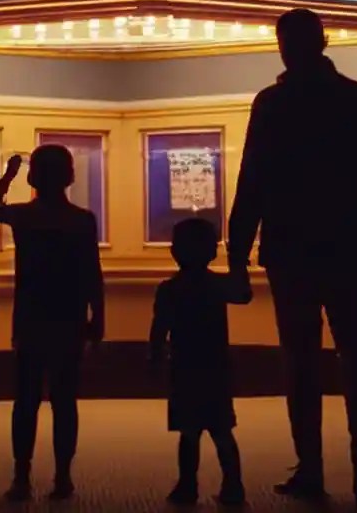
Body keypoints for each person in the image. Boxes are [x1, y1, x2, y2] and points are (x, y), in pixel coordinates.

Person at [227, 8, 357, 510]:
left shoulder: (272, 104)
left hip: (290, 248)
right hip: (347, 244)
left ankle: (312, 467)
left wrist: (238, 254)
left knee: (299, 361)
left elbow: (251, 183)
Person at [0, 146, 105, 502]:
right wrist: (97, 315)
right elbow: (92, 272)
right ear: (70, 177)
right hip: (69, 316)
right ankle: (62, 476)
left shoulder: (25, 217)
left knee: (25, 400)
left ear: (33, 177)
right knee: (64, 399)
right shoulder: (82, 220)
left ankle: (21, 476)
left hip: (30, 316)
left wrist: (8, 175)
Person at [149, 217, 253, 508]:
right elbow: (244, 294)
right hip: (216, 367)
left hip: (184, 367)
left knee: (188, 433)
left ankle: (187, 485)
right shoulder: (217, 285)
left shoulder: (168, 289)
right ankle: (233, 485)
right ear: (211, 252)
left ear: (174, 251)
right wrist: (237, 263)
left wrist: (154, 355)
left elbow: (160, 327)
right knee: (222, 432)